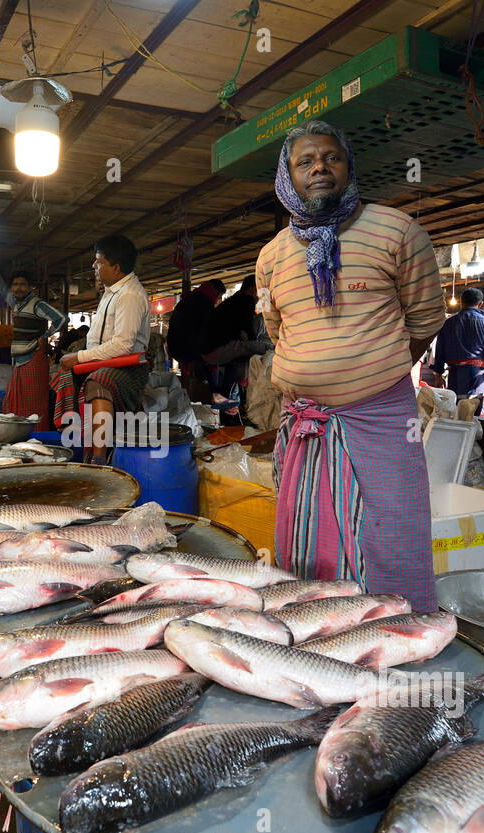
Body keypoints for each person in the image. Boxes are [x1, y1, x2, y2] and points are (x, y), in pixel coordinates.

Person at [256, 120, 445, 611]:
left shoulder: (398, 230)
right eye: (305, 161)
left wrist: (373, 370)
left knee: (390, 531)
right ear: (287, 176)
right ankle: (319, 634)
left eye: (331, 158)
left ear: (348, 166)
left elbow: (425, 319)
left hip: (381, 417)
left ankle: (396, 636)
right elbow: (278, 330)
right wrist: (312, 368)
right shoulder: (272, 255)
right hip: (304, 420)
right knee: (308, 541)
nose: (319, 167)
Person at [53, 234, 151, 464]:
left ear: (116, 268)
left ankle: (98, 458)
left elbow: (123, 345)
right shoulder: (112, 292)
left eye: (99, 262)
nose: (94, 266)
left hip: (128, 367)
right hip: (105, 362)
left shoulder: (130, 295)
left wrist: (79, 357)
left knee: (99, 382)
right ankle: (77, 444)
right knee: (63, 378)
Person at [0, 262, 68, 423]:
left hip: (34, 358)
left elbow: (61, 319)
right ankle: (19, 435)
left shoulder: (37, 304)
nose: (18, 288)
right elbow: (0, 285)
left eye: (23, 285)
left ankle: (36, 438)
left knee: (34, 406)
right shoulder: (15, 303)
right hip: (19, 361)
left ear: (30, 287)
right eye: (15, 285)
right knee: (15, 402)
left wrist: (46, 335)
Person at [197, 276, 267, 404]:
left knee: (237, 355)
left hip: (206, 352)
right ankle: (224, 399)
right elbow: (249, 332)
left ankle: (223, 398)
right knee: (257, 348)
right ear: (252, 290)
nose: (259, 297)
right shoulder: (246, 301)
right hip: (215, 350)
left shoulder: (233, 301)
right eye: (259, 292)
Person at [431, 288, 484, 396]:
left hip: (454, 374)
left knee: (457, 408)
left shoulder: (447, 323)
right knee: (474, 409)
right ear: (480, 304)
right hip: (477, 374)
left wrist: (438, 376)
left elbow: (439, 352)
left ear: (461, 302)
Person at [166, 279, 224, 380]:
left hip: (175, 348)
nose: (217, 300)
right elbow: (206, 332)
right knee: (202, 385)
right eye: (219, 297)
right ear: (216, 292)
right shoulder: (205, 303)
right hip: (189, 351)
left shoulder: (189, 297)